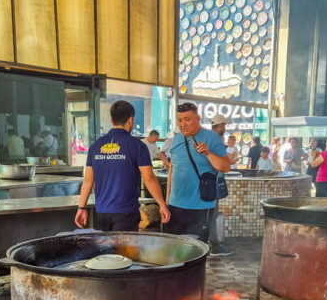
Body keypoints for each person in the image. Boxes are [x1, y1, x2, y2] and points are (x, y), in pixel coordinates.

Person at [76, 101, 169, 232]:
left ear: (112, 121)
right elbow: (149, 179)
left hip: (102, 212)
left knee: (107, 251)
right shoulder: (137, 146)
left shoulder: (96, 146)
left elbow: (88, 180)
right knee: (125, 252)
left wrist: (81, 208)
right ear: (130, 120)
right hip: (126, 213)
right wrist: (162, 205)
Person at [162, 102, 230, 242]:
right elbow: (173, 169)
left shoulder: (212, 138)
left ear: (198, 118)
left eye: (187, 119)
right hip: (175, 205)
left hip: (201, 207)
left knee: (197, 252)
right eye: (180, 120)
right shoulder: (176, 140)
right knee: (173, 249)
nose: (183, 124)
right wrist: (167, 200)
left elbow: (225, 167)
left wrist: (208, 153)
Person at [207, 113, 233, 256]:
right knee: (213, 212)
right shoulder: (215, 139)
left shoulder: (209, 138)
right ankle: (215, 245)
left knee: (210, 212)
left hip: (210, 180)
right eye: (224, 125)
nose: (225, 127)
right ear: (220, 125)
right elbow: (222, 165)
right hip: (214, 181)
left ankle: (209, 243)